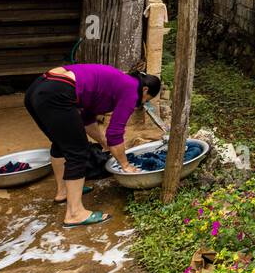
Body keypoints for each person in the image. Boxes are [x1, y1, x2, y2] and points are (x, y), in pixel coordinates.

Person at [22, 64, 162, 227]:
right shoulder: (131, 91)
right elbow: (115, 133)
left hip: (37, 89)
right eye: (147, 99)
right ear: (145, 90)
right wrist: (125, 165)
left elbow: (87, 119)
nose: (143, 103)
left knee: (62, 143)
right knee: (78, 152)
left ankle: (64, 192)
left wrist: (103, 144)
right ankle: (75, 213)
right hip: (56, 93)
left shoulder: (117, 81)